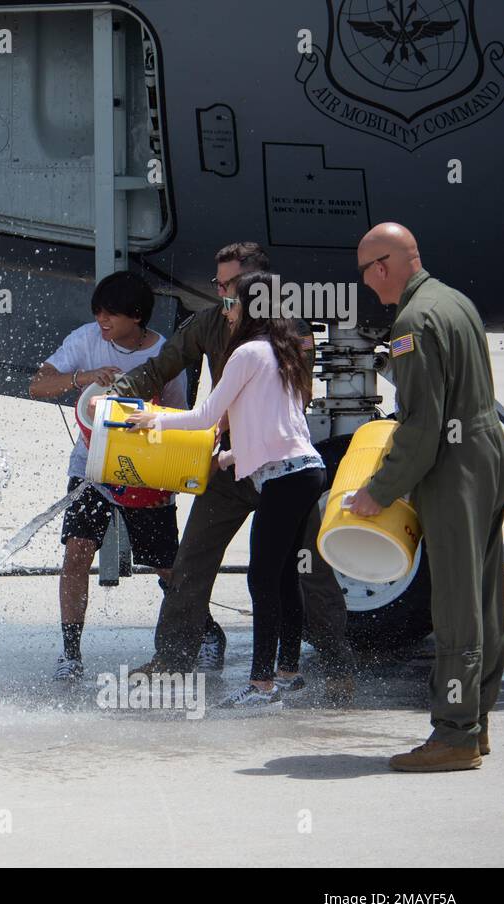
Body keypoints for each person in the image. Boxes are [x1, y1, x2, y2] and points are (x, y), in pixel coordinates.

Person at [112, 242, 357, 703]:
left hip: (276, 461)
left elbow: (290, 397)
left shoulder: (288, 331)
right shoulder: (209, 323)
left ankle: (334, 661)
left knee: (307, 568)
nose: (220, 295)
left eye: (228, 287)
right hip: (233, 466)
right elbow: (161, 366)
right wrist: (116, 398)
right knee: (193, 558)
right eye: (217, 285)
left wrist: (210, 422)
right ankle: (173, 657)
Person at [349, 223, 504, 771]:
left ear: (383, 266)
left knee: (456, 604)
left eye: (367, 275)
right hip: (487, 452)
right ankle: (477, 721)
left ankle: (455, 735)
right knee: (485, 594)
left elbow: (421, 427)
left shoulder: (411, 324)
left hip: (454, 468)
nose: (369, 287)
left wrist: (377, 491)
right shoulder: (454, 300)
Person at [28, 271, 187, 682]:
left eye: (111, 315)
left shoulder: (165, 355)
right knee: (77, 551)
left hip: (144, 471)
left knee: (165, 564)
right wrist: (83, 377)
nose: (102, 321)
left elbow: (178, 419)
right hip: (91, 468)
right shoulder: (85, 339)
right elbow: (38, 385)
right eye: (98, 313)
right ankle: (70, 653)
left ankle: (201, 633)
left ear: (136, 316)